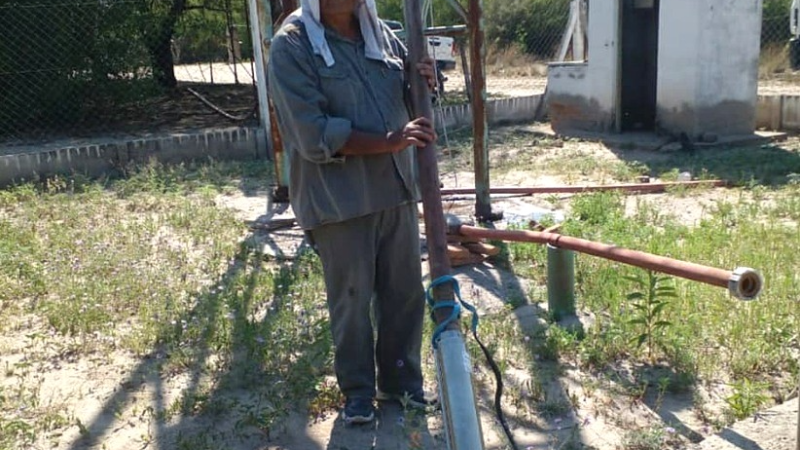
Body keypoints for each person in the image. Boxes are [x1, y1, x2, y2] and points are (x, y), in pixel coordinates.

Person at [267, 0, 439, 425]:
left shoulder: (381, 34)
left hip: (395, 189)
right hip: (338, 199)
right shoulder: (293, 44)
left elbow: (410, 98)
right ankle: (358, 393)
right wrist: (392, 139)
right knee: (351, 299)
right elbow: (313, 135)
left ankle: (400, 383)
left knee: (404, 295)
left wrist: (428, 83)